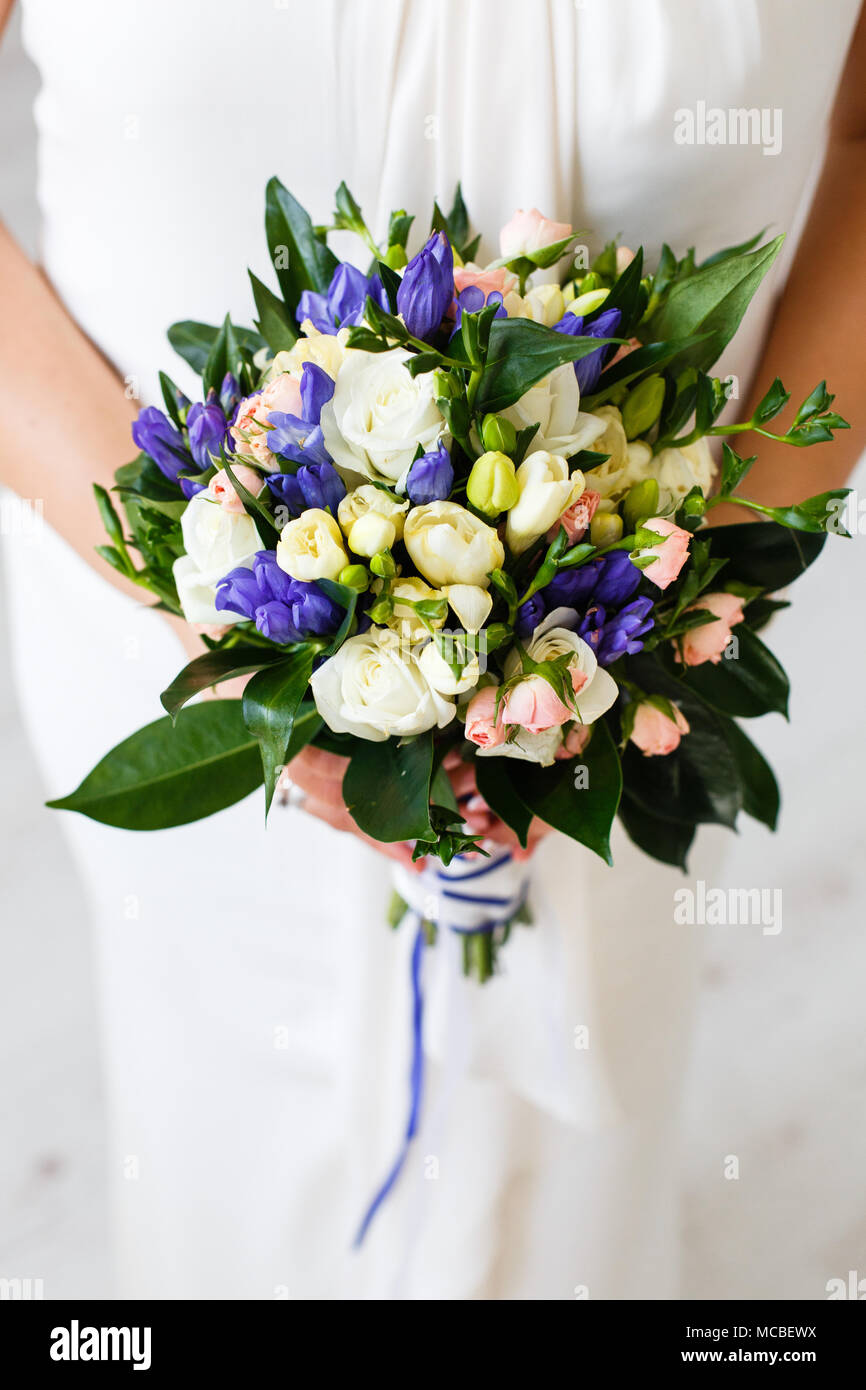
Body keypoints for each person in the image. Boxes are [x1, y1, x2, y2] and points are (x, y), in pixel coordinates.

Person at [1, 0, 863, 1299]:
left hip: (620, 675)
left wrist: (670, 577)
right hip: (160, 629)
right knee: (227, 1160)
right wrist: (210, 587)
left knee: (578, 1162)